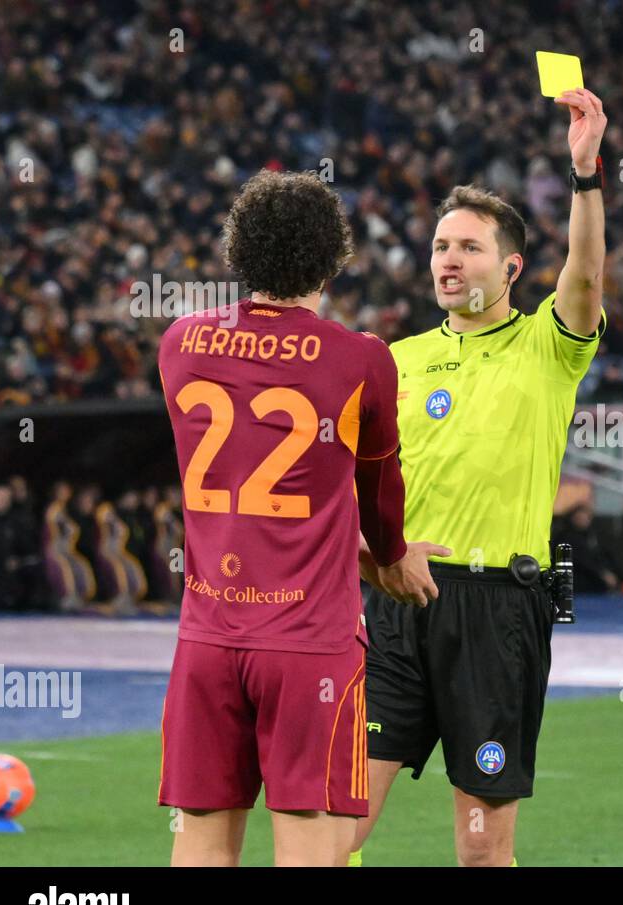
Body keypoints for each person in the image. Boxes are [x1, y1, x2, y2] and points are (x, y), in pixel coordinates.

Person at [354, 87, 608, 867]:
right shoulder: (395, 361)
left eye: (468, 247)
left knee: (482, 850)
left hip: (497, 613)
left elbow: (587, 278)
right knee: (336, 819)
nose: (450, 260)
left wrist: (587, 173)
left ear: (512, 266)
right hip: (394, 605)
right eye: (440, 247)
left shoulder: (548, 347)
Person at [157, 170, 430, 867]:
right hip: (308, 638)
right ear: (334, 256)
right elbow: (379, 490)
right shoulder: (361, 358)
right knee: (310, 850)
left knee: (200, 851)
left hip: (209, 638)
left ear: (238, 253)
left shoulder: (181, 343)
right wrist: (393, 557)